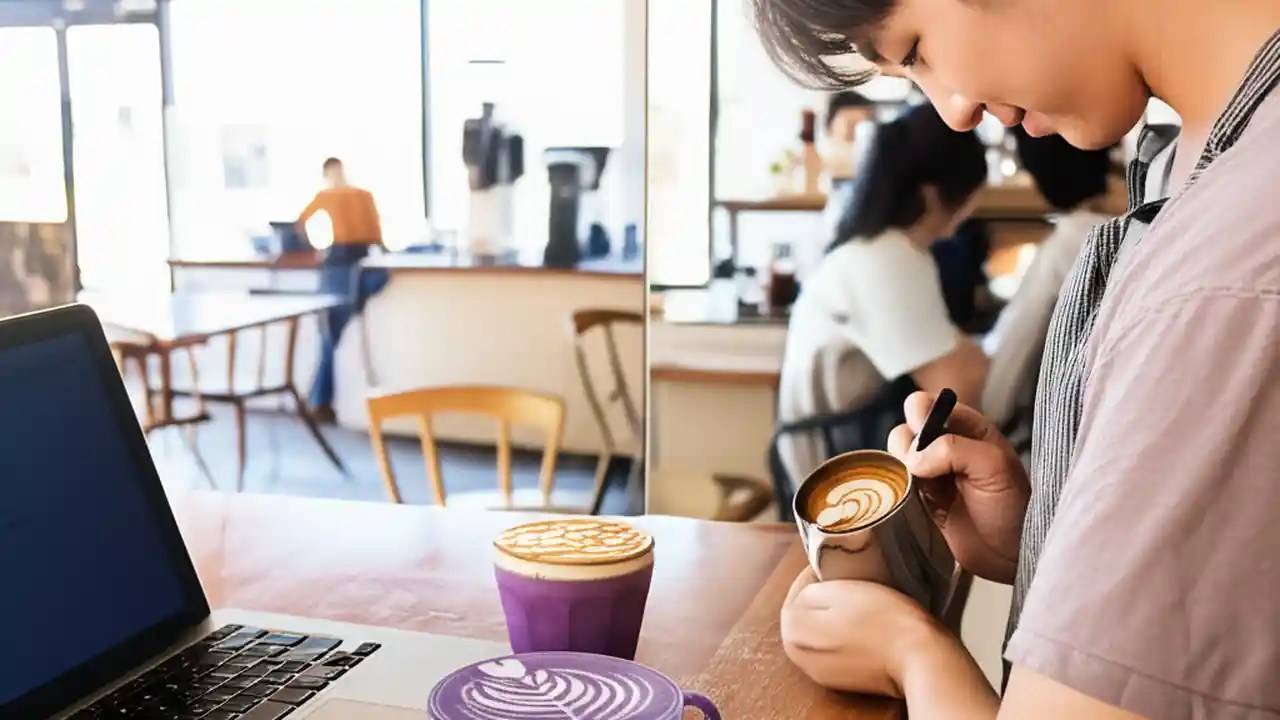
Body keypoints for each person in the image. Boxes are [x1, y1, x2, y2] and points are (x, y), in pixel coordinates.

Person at [753, 0, 1280, 717]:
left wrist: (912, 655)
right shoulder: (1194, 166)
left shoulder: (1227, 259)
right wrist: (1041, 534)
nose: (955, 112)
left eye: (913, 50)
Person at [776, 103, 989, 494]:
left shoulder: (880, 250)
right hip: (835, 474)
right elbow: (958, 390)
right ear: (934, 194)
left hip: (845, 453)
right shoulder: (885, 259)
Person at [981, 128, 1114, 443]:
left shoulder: (1071, 241)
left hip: (1045, 433)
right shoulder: (1129, 221)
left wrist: (986, 412)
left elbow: (1018, 344)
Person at [297, 157, 383, 423]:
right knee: (329, 334)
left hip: (359, 262)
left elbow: (377, 232)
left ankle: (317, 400)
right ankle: (319, 400)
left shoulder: (361, 196)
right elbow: (301, 223)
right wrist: (315, 251)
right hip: (338, 262)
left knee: (330, 333)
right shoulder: (329, 196)